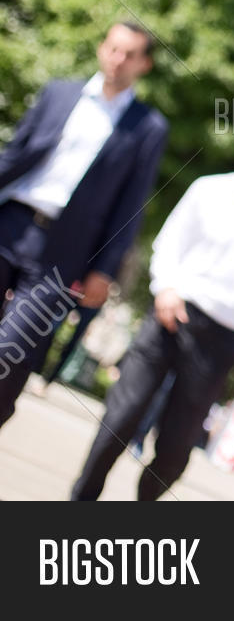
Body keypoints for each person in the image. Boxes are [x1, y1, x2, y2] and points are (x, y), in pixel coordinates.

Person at [71, 113, 234, 500]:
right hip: (171, 316)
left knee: (176, 446)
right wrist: (165, 288)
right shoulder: (208, 190)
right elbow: (168, 244)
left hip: (222, 339)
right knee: (122, 414)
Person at [0, 22, 169, 430]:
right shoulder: (60, 92)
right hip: (10, 222)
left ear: (143, 64)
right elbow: (15, 153)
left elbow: (131, 205)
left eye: (129, 54)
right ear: (101, 49)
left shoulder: (147, 126)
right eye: (113, 49)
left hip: (63, 252)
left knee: (12, 348)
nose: (118, 59)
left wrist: (105, 269)